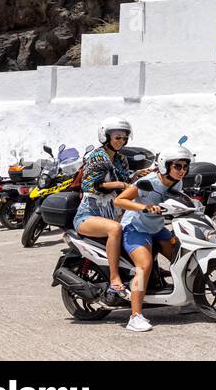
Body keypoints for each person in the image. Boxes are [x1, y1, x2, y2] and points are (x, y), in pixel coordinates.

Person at [114, 145, 191, 333]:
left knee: (181, 255)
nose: (182, 171)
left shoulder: (176, 182)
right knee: (144, 265)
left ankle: (186, 297)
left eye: (185, 166)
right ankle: (135, 317)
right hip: (136, 228)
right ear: (165, 166)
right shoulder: (147, 182)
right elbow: (119, 201)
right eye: (178, 166)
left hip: (156, 228)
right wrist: (144, 207)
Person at [74, 117, 152, 298]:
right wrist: (119, 184)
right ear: (106, 136)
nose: (122, 141)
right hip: (89, 215)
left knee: (143, 225)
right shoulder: (97, 157)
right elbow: (90, 186)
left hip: (113, 212)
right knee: (115, 229)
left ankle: (149, 271)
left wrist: (137, 176)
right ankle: (114, 280)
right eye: (118, 137)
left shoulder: (121, 159)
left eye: (124, 138)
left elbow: (124, 183)